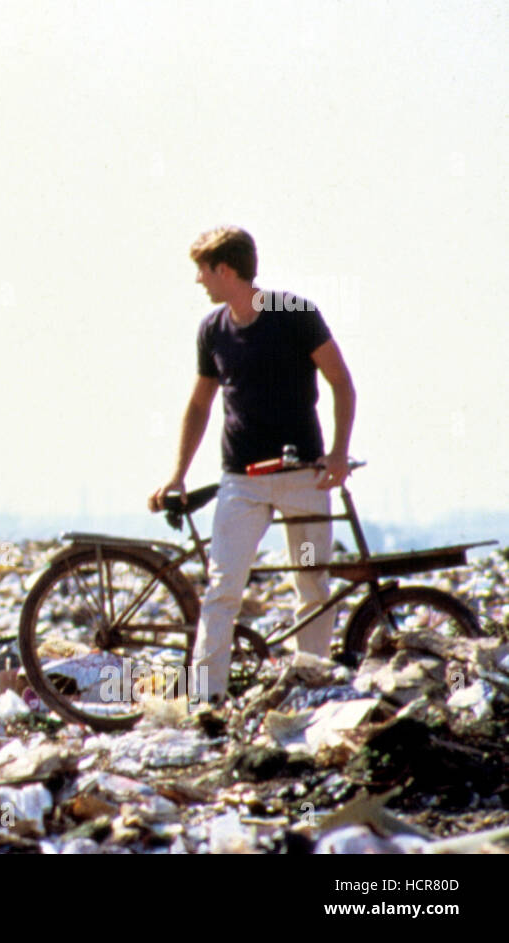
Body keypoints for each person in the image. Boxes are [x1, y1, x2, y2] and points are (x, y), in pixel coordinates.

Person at [149, 226, 356, 704]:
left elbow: (340, 381)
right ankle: (207, 700)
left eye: (202, 270)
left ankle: (314, 687)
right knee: (223, 589)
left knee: (311, 584)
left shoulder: (294, 313)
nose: (199, 281)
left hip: (302, 478)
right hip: (241, 483)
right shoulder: (213, 328)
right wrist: (178, 473)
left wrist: (339, 453)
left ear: (225, 269)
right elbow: (200, 405)